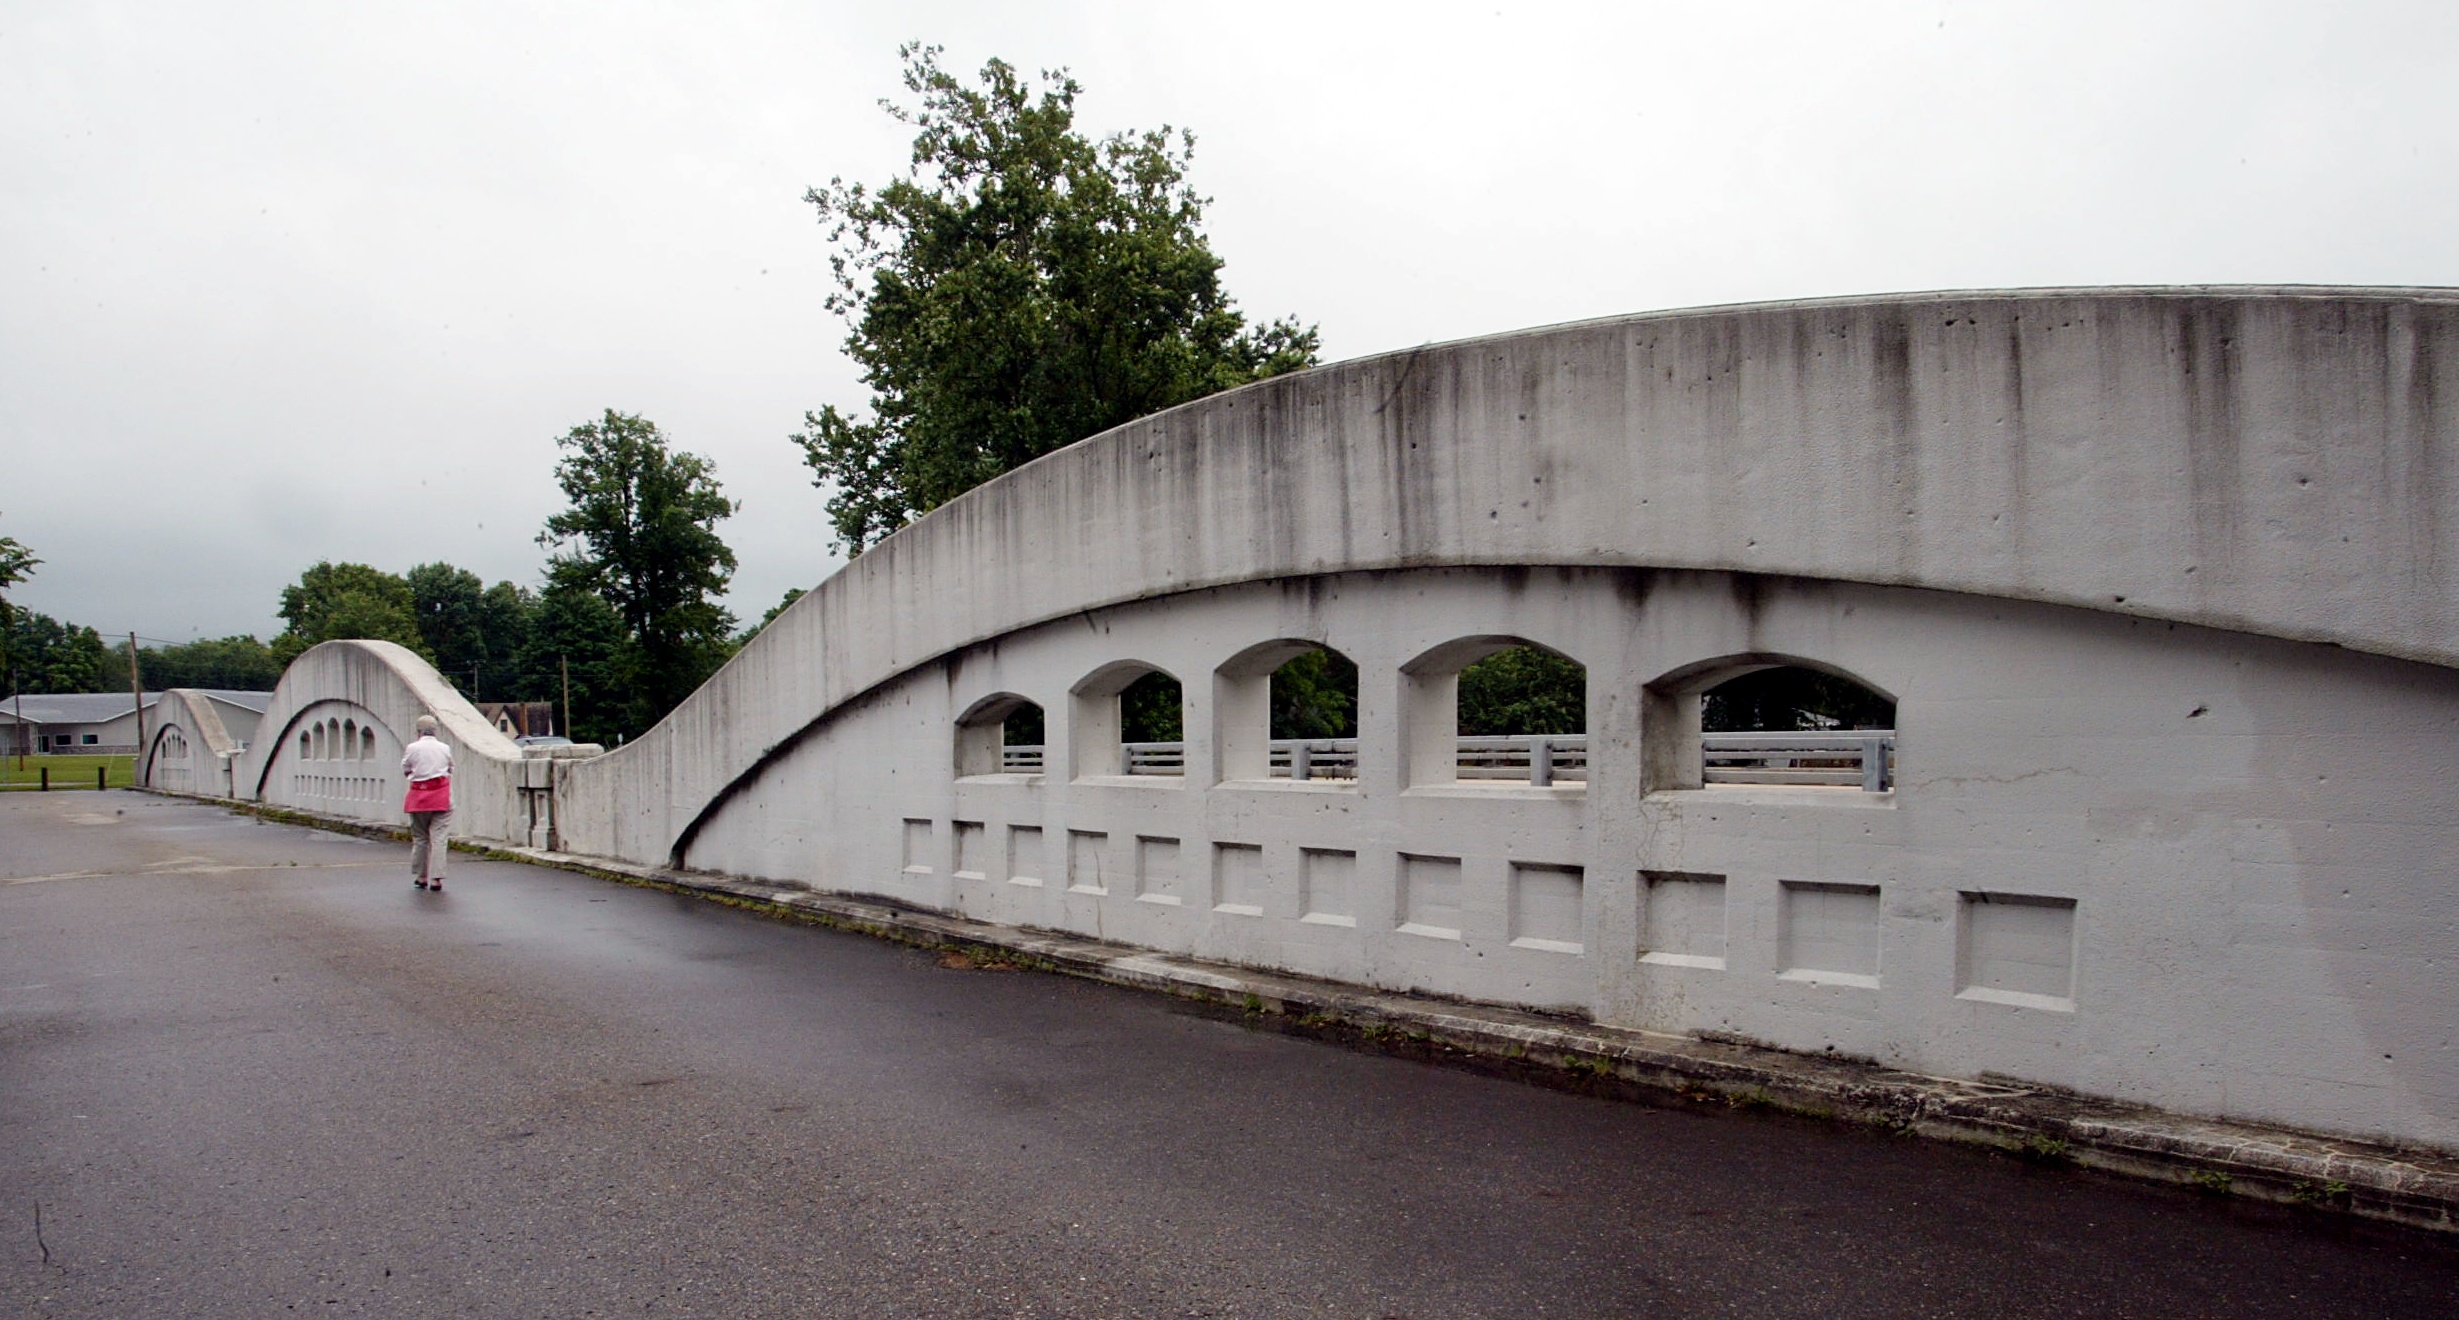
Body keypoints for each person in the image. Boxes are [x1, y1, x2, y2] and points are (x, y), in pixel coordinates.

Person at [401, 713, 453, 891]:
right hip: (441, 796)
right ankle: (437, 879)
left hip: (419, 797)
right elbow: (450, 768)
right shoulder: (444, 748)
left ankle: (421, 876)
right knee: (439, 838)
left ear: (419, 731)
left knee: (421, 837)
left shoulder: (412, 748)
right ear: (435, 731)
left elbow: (406, 769)